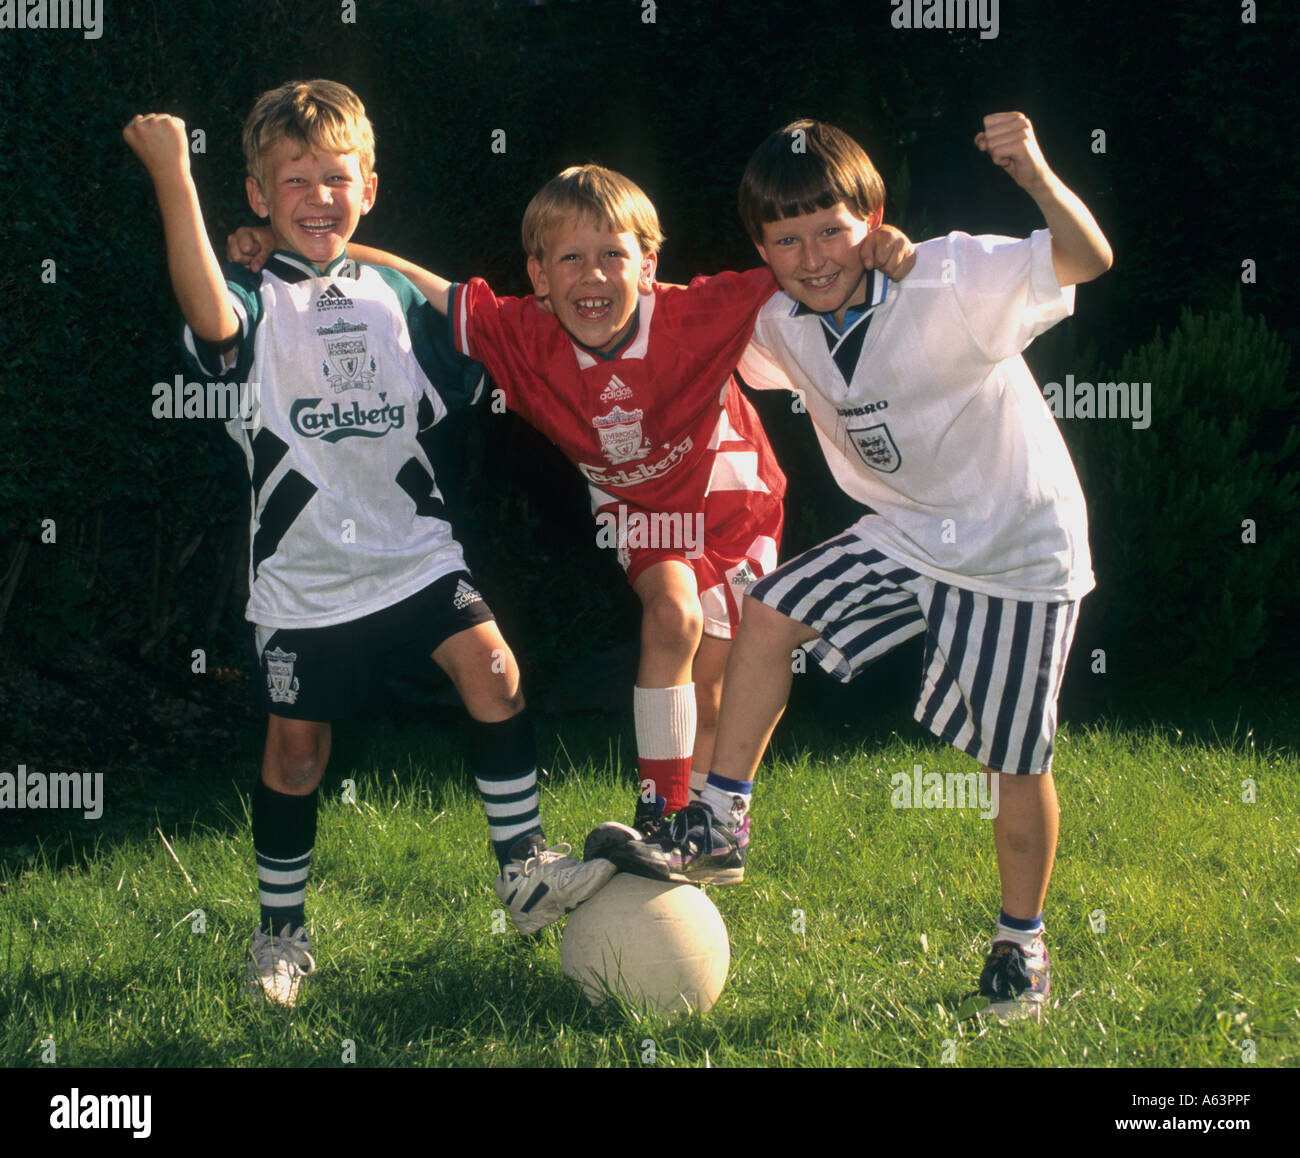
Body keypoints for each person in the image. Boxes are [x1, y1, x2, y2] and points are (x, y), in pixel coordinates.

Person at [229, 164, 913, 872]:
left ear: (647, 266)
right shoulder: (521, 334)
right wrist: (306, 253)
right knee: (672, 616)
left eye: (613, 255)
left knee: (713, 688)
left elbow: (801, 266)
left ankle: (711, 836)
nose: (593, 276)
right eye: (570, 259)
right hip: (639, 511)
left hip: (734, 502)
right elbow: (433, 286)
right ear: (539, 276)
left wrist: (874, 247)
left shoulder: (694, 313)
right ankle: (662, 809)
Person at [124, 79, 616, 1006]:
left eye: (338, 178)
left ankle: (524, 871)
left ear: (371, 188)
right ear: (259, 197)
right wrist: (174, 179)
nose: (320, 195)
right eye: (295, 180)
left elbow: (485, 343)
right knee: (298, 754)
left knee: (496, 672)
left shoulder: (393, 294)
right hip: (305, 578)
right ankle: (280, 937)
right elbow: (207, 318)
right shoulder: (251, 297)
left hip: (416, 552)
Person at [636, 113, 1112, 1021]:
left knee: (1012, 763)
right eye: (786, 238)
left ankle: (1023, 945)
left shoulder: (946, 275)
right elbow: (681, 331)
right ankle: (723, 818)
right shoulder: (779, 322)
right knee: (773, 612)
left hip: (1019, 546)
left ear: (875, 217)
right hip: (904, 530)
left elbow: (1086, 258)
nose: (812, 256)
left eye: (831, 229)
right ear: (760, 247)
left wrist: (1037, 172)